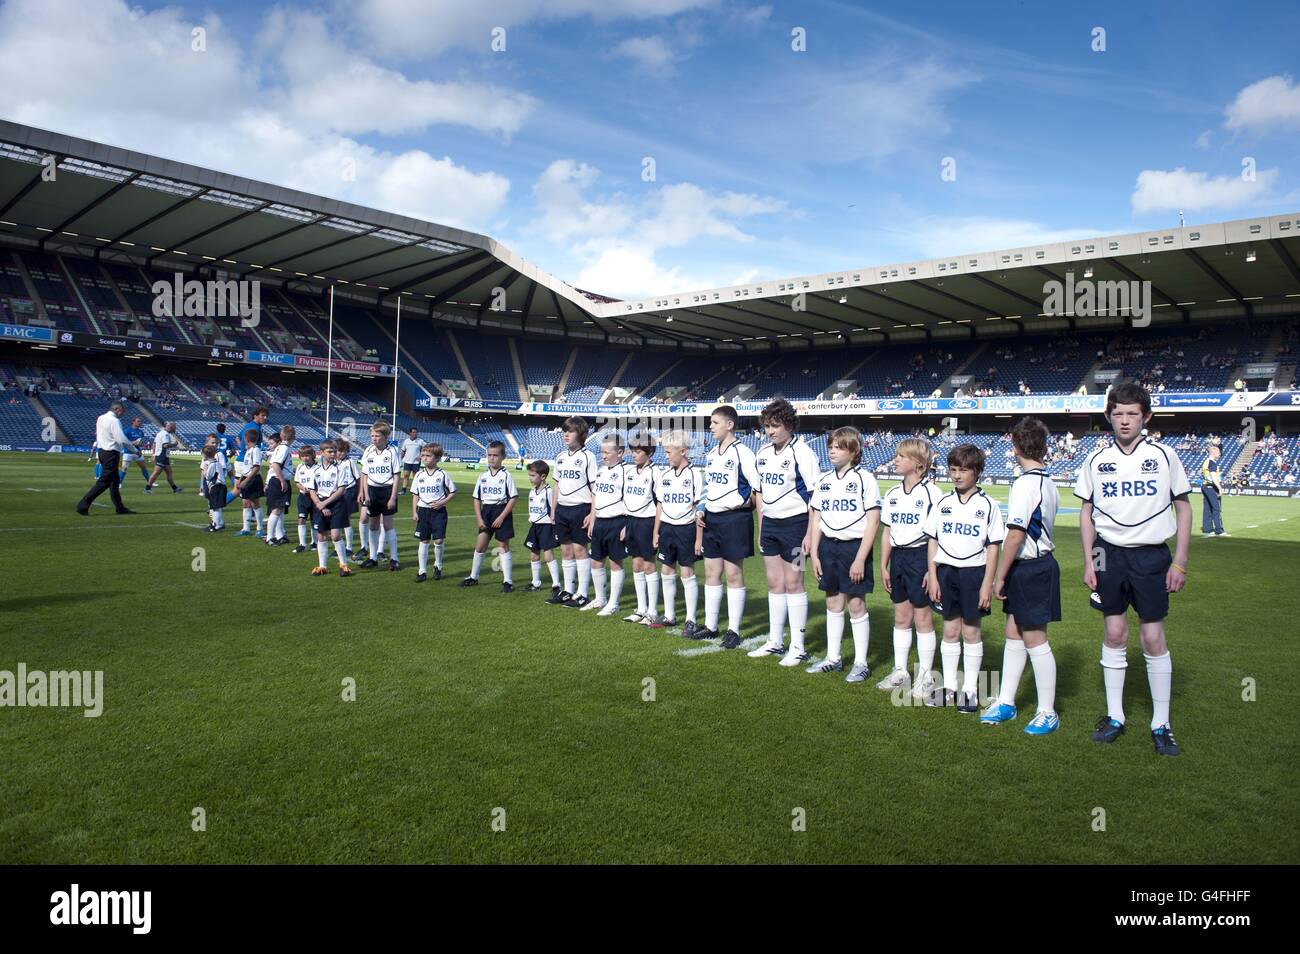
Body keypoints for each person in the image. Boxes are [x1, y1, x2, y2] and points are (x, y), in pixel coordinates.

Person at [1077, 382, 1191, 757]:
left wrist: (1179, 561)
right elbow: (1087, 514)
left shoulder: (1164, 456)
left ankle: (1161, 723)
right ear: (1109, 416)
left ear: (1146, 417)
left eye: (1132, 414)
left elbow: (1184, 508)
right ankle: (1115, 717)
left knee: (1153, 638)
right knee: (1113, 632)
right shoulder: (1096, 460)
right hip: (1108, 554)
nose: (1124, 420)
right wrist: (1091, 563)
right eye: (1118, 413)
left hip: (1151, 556)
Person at [983, 418, 1062, 734]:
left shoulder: (1026, 483)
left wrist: (999, 576)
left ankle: (1047, 711)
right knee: (1014, 632)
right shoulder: (1047, 480)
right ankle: (1006, 701)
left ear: (1015, 447)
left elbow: (1015, 534)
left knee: (1034, 638)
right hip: (1033, 565)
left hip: (1031, 567)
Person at [924, 444, 1005, 713]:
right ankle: (948, 688)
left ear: (977, 472)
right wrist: (933, 576)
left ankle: (970, 691)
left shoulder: (988, 505)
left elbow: (993, 546)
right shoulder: (942, 504)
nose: (957, 475)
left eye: (964, 470)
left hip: (974, 573)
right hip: (946, 572)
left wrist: (987, 583)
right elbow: (932, 541)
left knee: (971, 631)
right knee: (949, 630)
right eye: (953, 469)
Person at [806, 427, 882, 681]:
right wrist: (815, 554)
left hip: (854, 547)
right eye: (830, 446)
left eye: (838, 447)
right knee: (832, 601)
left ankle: (861, 663)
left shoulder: (865, 479)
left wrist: (861, 557)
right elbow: (816, 517)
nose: (832, 451)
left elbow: (873, 521)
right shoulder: (824, 480)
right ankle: (833, 658)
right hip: (828, 547)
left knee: (856, 602)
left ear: (853, 450)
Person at [748, 398, 821, 662]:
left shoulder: (802, 453)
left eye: (775, 425)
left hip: (797, 525)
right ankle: (775, 642)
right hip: (770, 527)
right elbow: (759, 494)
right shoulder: (763, 454)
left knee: (794, 582)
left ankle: (798, 647)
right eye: (767, 426)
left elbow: (815, 497)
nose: (770, 431)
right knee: (774, 583)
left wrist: (810, 534)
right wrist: (760, 527)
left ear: (789, 424)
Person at [877, 438, 942, 697]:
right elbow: (887, 533)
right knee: (901, 616)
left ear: (919, 464)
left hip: (921, 557)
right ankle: (900, 672)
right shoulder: (892, 493)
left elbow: (938, 536)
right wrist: (883, 565)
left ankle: (926, 677)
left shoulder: (932, 494)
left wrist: (931, 568)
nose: (896, 460)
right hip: (899, 559)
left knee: (922, 617)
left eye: (901, 456)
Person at [698, 406, 761, 648]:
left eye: (715, 422)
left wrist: (744, 512)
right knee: (712, 573)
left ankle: (733, 630)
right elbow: (708, 488)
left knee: (733, 574)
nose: (710, 426)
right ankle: (711, 626)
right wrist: (702, 508)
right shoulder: (712, 453)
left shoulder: (743, 453)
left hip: (735, 519)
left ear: (730, 425)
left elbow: (757, 490)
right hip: (712, 519)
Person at [652, 430, 704, 634]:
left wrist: (699, 539)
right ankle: (670, 615)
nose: (666, 456)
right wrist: (656, 532)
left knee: (687, 572)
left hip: (686, 529)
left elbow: (700, 509)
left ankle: (690, 619)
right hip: (667, 528)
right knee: (666, 570)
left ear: (682, 451)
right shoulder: (664, 475)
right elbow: (660, 506)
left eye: (669, 452)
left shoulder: (694, 475)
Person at [551, 417, 599, 608]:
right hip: (562, 509)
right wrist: (553, 510)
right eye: (565, 431)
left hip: (581, 508)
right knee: (565, 551)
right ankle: (568, 591)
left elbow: (595, 487)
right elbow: (556, 485)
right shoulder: (560, 457)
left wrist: (592, 513)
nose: (566, 434)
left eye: (570, 431)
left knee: (580, 550)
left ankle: (582, 593)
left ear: (581, 434)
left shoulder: (589, 457)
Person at [584, 434, 631, 617]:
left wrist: (627, 525)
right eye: (601, 452)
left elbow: (630, 500)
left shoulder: (627, 472)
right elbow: (595, 496)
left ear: (620, 452)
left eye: (606, 452)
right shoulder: (601, 470)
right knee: (596, 561)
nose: (603, 456)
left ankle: (614, 603)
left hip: (617, 521)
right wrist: (593, 518)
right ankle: (600, 598)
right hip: (600, 522)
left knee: (615, 562)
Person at [462, 440, 518, 591]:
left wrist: (502, 517)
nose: (492, 458)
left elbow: (513, 498)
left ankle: (508, 581)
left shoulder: (506, 476)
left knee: (503, 546)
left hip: (501, 511)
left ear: (503, 457)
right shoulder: (483, 476)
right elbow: (476, 499)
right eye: (489, 455)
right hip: (486, 512)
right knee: (480, 546)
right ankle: (473, 577)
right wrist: (479, 518)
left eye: (495, 455)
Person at [621, 434, 660, 625]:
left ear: (649, 452)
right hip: (631, 522)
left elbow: (660, 503)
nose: (634, 455)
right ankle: (641, 608)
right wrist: (624, 524)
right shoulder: (629, 471)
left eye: (638, 452)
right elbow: (625, 499)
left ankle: (652, 611)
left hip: (647, 522)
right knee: (636, 564)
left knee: (648, 564)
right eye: (633, 451)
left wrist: (656, 531)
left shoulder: (655, 472)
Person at [77, 403, 135, 515]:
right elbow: (121, 439)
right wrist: (135, 449)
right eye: (122, 411)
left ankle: (120, 507)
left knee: (114, 482)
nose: (123, 414)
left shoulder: (101, 418)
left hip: (103, 451)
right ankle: (83, 505)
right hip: (111, 453)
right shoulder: (114, 421)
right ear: (117, 409)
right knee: (104, 482)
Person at [309, 440, 355, 577]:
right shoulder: (316, 470)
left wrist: (325, 503)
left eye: (334, 451)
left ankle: (343, 564)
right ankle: (322, 566)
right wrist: (320, 505)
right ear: (321, 453)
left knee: (335, 535)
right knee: (321, 536)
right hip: (320, 504)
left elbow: (341, 490)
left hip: (336, 503)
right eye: (330, 451)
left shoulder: (340, 468)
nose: (333, 454)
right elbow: (312, 491)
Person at [360, 422, 402, 570]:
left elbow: (396, 475)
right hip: (372, 491)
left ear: (385, 436)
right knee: (373, 525)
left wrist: (393, 497)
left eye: (377, 435)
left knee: (388, 525)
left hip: (387, 490)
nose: (374, 438)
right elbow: (364, 474)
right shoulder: (368, 451)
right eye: (372, 435)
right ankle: (372, 557)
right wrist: (365, 494)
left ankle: (394, 559)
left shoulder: (392, 451)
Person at [412, 443, 456, 582]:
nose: (424, 458)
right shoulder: (419, 475)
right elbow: (415, 494)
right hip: (423, 511)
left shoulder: (442, 474)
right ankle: (422, 571)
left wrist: (442, 502)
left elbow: (453, 492)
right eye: (423, 455)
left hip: (438, 512)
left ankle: (438, 565)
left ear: (437, 458)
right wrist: (414, 511)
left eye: (428, 456)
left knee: (438, 540)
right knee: (424, 540)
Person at [522, 459, 560, 595]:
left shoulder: (549, 492)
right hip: (535, 526)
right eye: (529, 475)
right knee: (533, 555)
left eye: (533, 476)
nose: (530, 478)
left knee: (548, 555)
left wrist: (553, 522)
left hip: (546, 526)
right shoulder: (533, 492)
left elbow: (554, 508)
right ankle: (536, 582)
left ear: (542, 476)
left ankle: (556, 584)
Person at [264, 426, 296, 547]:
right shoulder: (283, 449)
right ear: (293, 437)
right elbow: (276, 465)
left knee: (280, 509)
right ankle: (270, 537)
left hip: (276, 480)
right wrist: (282, 481)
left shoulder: (281, 448)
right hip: (278, 481)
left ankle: (280, 535)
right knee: (277, 509)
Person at [233, 428, 265, 537]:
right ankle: (245, 528)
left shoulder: (256, 450)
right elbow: (246, 468)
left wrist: (246, 480)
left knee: (255, 503)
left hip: (253, 480)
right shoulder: (248, 451)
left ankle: (260, 529)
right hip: (246, 478)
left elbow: (256, 468)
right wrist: (241, 479)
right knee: (246, 503)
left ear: (246, 439)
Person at [293, 445, 319, 553]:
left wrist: (314, 491)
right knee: (301, 518)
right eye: (303, 456)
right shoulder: (300, 467)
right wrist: (303, 488)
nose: (305, 458)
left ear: (312, 455)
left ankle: (314, 542)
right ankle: (302, 544)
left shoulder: (319, 468)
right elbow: (297, 481)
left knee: (314, 520)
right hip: (303, 497)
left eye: (307, 456)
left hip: (315, 497)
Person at [143, 422, 183, 494]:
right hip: (162, 456)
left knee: (169, 472)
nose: (175, 429)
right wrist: (175, 444)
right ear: (170, 427)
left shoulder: (161, 433)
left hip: (162, 456)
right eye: (174, 427)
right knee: (156, 473)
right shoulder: (165, 434)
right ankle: (147, 488)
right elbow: (165, 445)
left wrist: (153, 454)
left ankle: (175, 488)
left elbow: (154, 444)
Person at [1200, 443, 1227, 537]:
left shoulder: (1205, 461)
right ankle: (1219, 530)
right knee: (1216, 508)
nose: (1220, 454)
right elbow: (1214, 477)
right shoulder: (1212, 463)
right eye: (1218, 452)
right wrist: (1220, 488)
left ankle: (1208, 530)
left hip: (1205, 486)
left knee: (1207, 509)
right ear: (1214, 453)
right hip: (1212, 487)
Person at [200, 444, 229, 532]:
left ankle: (216, 525)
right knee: (218, 507)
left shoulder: (212, 464)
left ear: (205, 455)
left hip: (216, 487)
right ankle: (220, 523)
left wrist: (205, 470)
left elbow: (208, 476)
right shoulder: (217, 462)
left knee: (215, 507)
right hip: (220, 486)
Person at [122, 416, 150, 483]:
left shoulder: (141, 432)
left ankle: (150, 482)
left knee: (144, 467)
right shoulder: (127, 431)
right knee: (124, 469)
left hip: (138, 452)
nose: (139, 423)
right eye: (138, 421)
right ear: (133, 422)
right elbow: (123, 442)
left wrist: (141, 444)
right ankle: (119, 483)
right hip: (128, 452)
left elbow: (142, 442)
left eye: (140, 421)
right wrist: (133, 443)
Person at [398, 427, 425, 495]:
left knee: (415, 477)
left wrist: (421, 455)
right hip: (407, 462)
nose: (415, 433)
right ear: (410, 433)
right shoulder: (406, 441)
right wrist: (399, 460)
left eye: (416, 432)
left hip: (416, 462)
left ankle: (415, 490)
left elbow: (426, 448)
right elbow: (403, 451)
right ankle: (403, 490)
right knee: (406, 475)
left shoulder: (420, 441)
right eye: (413, 432)